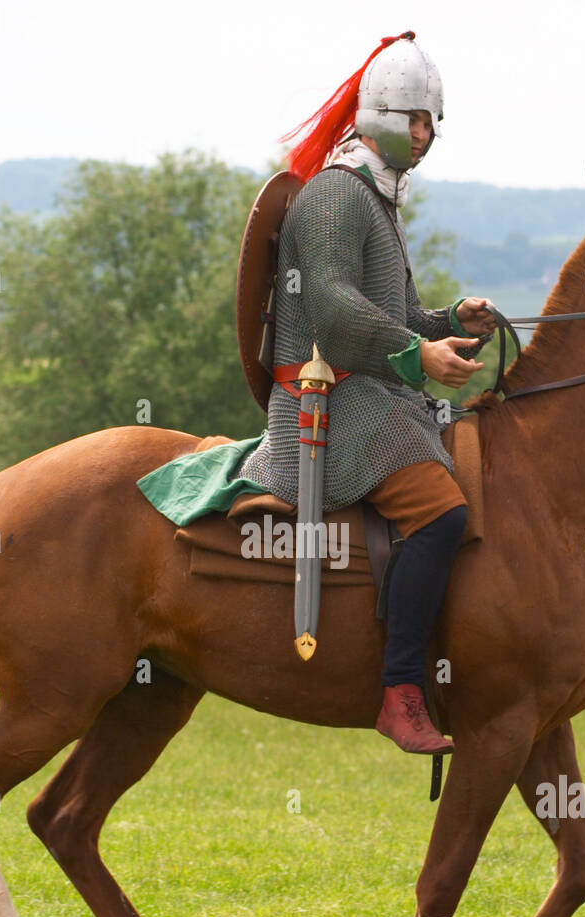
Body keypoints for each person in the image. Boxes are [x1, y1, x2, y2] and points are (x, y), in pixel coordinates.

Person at [238, 31, 498, 755]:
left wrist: (447, 322)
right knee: (443, 514)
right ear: (380, 115)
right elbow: (334, 314)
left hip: (374, 391)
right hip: (331, 403)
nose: (427, 135)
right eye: (416, 119)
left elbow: (388, 316)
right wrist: (419, 355)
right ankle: (401, 690)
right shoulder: (334, 197)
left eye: (431, 123)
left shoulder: (376, 204)